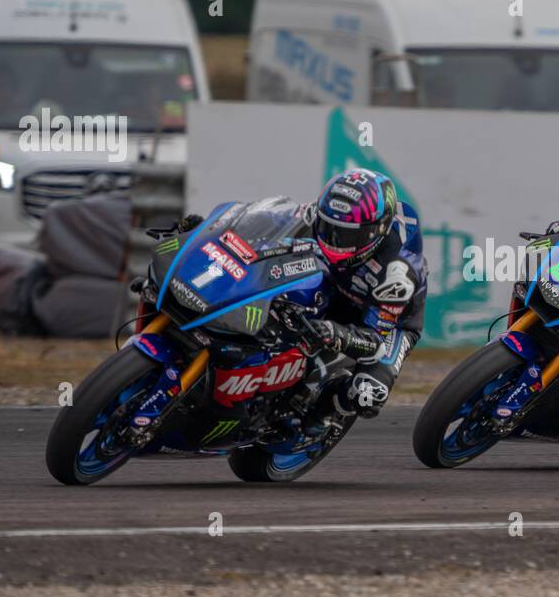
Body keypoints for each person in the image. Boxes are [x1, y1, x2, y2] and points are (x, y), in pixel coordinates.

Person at [175, 167, 427, 421]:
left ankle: (319, 420)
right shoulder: (320, 215)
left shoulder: (396, 277)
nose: (334, 240)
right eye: (329, 227)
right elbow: (266, 222)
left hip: (387, 320)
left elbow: (375, 342)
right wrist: (207, 230)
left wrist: (336, 333)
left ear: (376, 232)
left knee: (366, 394)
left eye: (348, 234)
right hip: (339, 282)